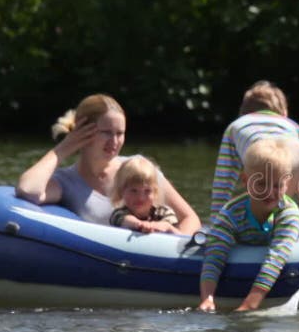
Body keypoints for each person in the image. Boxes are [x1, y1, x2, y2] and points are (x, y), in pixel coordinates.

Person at [15, 94, 201, 233]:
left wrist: (176, 237)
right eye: (106, 132)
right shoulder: (66, 181)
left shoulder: (139, 168)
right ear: (83, 130)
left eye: (120, 133)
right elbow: (28, 190)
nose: (114, 141)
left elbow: (190, 218)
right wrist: (64, 147)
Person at [210, 80, 299, 240]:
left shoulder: (236, 126)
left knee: (264, 207)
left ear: (243, 112)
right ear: (284, 113)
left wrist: (215, 227)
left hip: (267, 155)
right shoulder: (292, 125)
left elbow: (223, 182)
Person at [199, 138, 299, 312]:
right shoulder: (231, 213)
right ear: (246, 180)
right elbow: (215, 254)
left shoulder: (289, 214)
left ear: (287, 185)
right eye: (261, 184)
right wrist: (207, 298)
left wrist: (250, 304)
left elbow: (276, 258)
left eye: (277, 185)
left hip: (291, 257)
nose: (269, 192)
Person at [108, 155, 181, 233]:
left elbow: (170, 228)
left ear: (155, 192)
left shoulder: (164, 212)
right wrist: (140, 224)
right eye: (134, 191)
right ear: (121, 191)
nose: (140, 198)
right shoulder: (118, 214)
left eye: (147, 191)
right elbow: (125, 220)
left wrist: (162, 226)